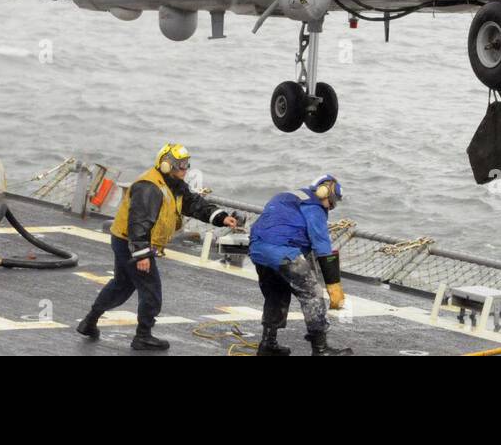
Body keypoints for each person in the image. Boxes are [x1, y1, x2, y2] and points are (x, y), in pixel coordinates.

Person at [76, 143, 239, 351]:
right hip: (132, 242)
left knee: (121, 286)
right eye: (180, 166)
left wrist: (222, 218)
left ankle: (89, 322)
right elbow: (139, 222)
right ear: (165, 165)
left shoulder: (174, 184)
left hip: (127, 241)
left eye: (186, 165)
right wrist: (142, 255)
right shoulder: (149, 187)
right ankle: (142, 336)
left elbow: (194, 204)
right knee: (151, 290)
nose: (185, 170)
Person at [249, 174, 353, 356]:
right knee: (312, 294)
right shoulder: (314, 207)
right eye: (333, 200)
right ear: (324, 192)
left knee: (276, 293)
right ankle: (320, 349)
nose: (332, 205)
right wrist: (334, 286)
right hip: (282, 252)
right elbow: (322, 248)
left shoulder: (285, 196)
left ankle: (267, 344)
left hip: (258, 249)